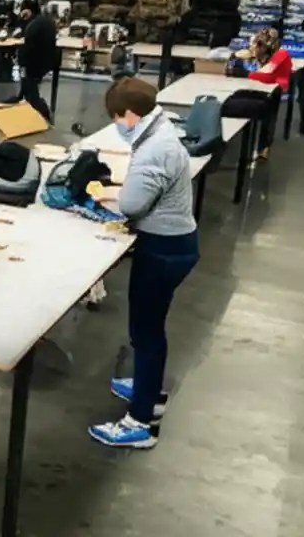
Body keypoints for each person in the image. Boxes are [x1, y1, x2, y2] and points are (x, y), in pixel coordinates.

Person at [89, 77, 199, 449]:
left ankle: (140, 421)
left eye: (118, 117)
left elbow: (133, 205)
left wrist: (107, 197)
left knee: (146, 332)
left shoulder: (155, 150)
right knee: (150, 327)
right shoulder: (162, 132)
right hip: (174, 244)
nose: (118, 124)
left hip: (163, 249)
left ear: (131, 115)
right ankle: (148, 389)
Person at [2, 0, 57, 124]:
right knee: (27, 88)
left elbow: (27, 44)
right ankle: (22, 101)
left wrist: (21, 62)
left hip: (33, 62)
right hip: (44, 61)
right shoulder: (46, 21)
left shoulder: (34, 25)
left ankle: (44, 115)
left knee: (31, 93)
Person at [246, 27, 291, 160]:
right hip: (257, 86)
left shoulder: (279, 57)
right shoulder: (254, 55)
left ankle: (264, 146)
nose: (254, 48)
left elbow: (267, 74)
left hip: (273, 88)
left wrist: (249, 74)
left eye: (257, 46)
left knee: (269, 116)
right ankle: (255, 145)